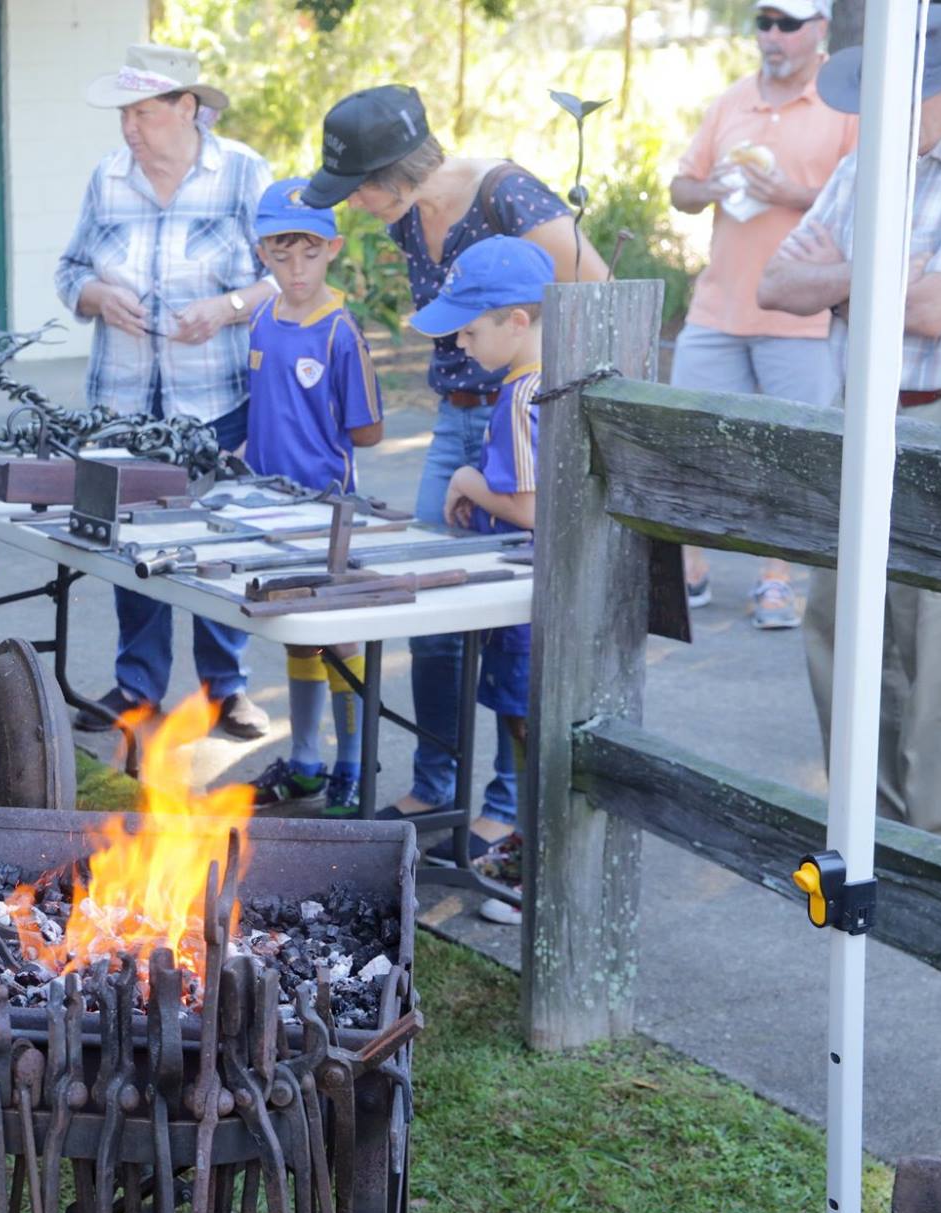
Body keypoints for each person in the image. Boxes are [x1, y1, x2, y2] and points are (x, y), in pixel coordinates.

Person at [299, 84, 604, 861]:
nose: (354, 206)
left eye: (354, 190)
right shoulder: (407, 217)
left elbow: (596, 292)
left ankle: (505, 805)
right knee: (428, 605)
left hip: (520, 413)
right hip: (456, 417)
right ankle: (436, 782)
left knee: (513, 616)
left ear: (386, 176)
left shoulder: (507, 192)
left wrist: (540, 407)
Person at [758, 2, 941, 839]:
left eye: (907, 92)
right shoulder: (869, 162)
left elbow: (934, 309)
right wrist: (874, 273)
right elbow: (776, 284)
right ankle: (864, 830)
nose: (883, 114)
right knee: (843, 624)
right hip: (860, 411)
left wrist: (841, 277)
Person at [55, 43, 279, 741]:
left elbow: (283, 280)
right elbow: (68, 271)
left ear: (187, 108)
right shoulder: (108, 177)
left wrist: (228, 309)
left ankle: (226, 690)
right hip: (123, 400)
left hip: (212, 399)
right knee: (133, 542)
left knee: (214, 540)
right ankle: (138, 686)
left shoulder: (243, 173)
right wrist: (94, 295)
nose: (129, 127)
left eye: (143, 112)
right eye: (125, 113)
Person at [669, 0, 856, 627]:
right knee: (686, 441)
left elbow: (869, 203)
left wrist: (794, 195)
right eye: (763, 22)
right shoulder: (731, 100)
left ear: (820, 29)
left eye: (787, 24)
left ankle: (776, 579)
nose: (772, 36)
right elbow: (681, 189)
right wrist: (714, 187)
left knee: (791, 455)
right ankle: (690, 567)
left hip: (801, 318)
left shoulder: (847, 102)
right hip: (718, 307)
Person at [408, 236, 554, 924]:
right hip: (534, 595)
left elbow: (529, 508)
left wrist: (468, 480)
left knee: (525, 727)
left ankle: (531, 872)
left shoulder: (522, 393)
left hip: (528, 602)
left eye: (470, 328)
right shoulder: (547, 377)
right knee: (523, 724)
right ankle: (523, 849)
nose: (461, 342)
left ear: (516, 322)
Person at [239, 178, 385, 817]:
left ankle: (353, 766)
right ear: (262, 252)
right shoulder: (262, 317)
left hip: (327, 512)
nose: (295, 270)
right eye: (280, 253)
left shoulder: (341, 333)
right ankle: (305, 764)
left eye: (309, 253)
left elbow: (369, 431)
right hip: (266, 506)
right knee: (298, 636)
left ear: (333, 248)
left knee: (340, 636)